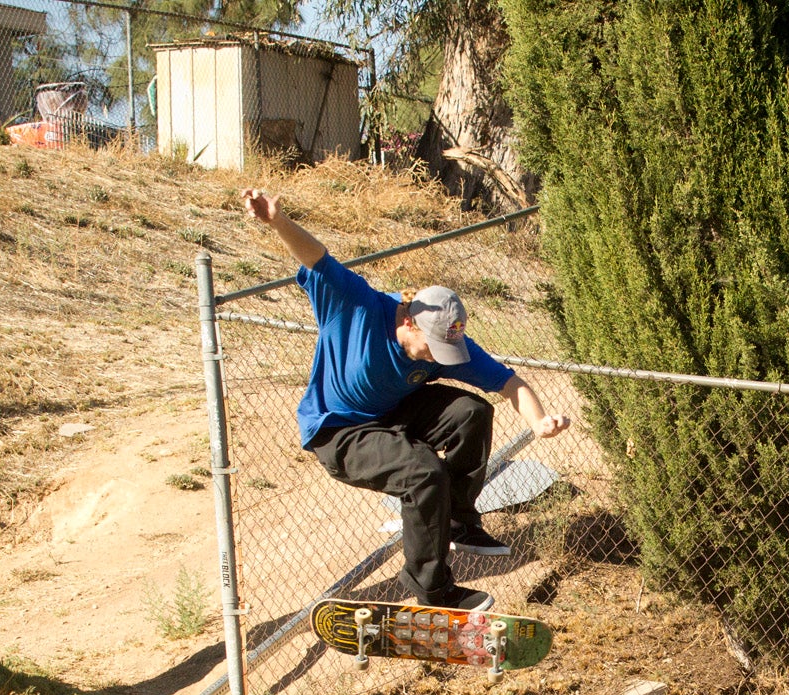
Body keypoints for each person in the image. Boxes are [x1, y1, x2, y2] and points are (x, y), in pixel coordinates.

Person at [242, 188, 571, 612]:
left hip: (391, 414)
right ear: (409, 320)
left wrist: (538, 421)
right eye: (432, 348)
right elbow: (317, 258)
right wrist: (277, 221)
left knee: (473, 411)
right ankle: (433, 591)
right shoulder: (356, 305)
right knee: (423, 474)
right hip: (338, 429)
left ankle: (459, 521)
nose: (439, 358)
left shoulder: (447, 347)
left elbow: (510, 383)